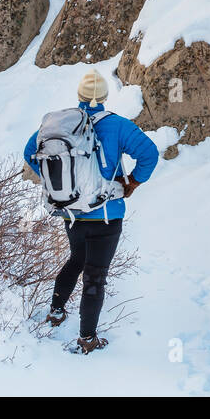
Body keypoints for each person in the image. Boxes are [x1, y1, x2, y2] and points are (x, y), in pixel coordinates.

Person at [24, 69, 159, 353]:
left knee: (76, 260)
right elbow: (149, 154)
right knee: (95, 275)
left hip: (71, 211)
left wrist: (57, 183)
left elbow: (30, 153)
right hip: (107, 215)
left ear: (80, 96)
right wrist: (132, 182)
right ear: (105, 98)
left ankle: (56, 312)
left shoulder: (61, 125)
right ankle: (87, 339)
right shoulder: (118, 126)